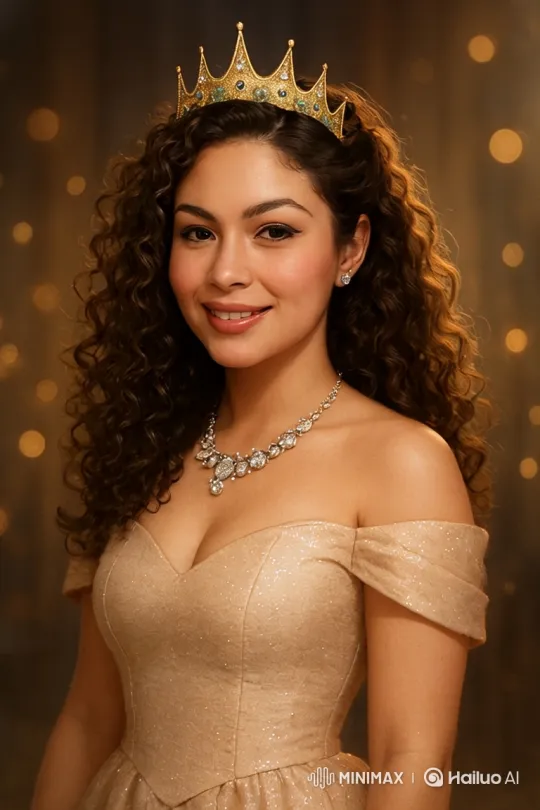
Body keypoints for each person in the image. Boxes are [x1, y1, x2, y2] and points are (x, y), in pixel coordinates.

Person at [31, 21, 493, 810]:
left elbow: (411, 753)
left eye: (273, 231)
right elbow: (87, 716)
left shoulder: (402, 461)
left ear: (351, 250)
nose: (226, 272)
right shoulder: (141, 441)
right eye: (197, 233)